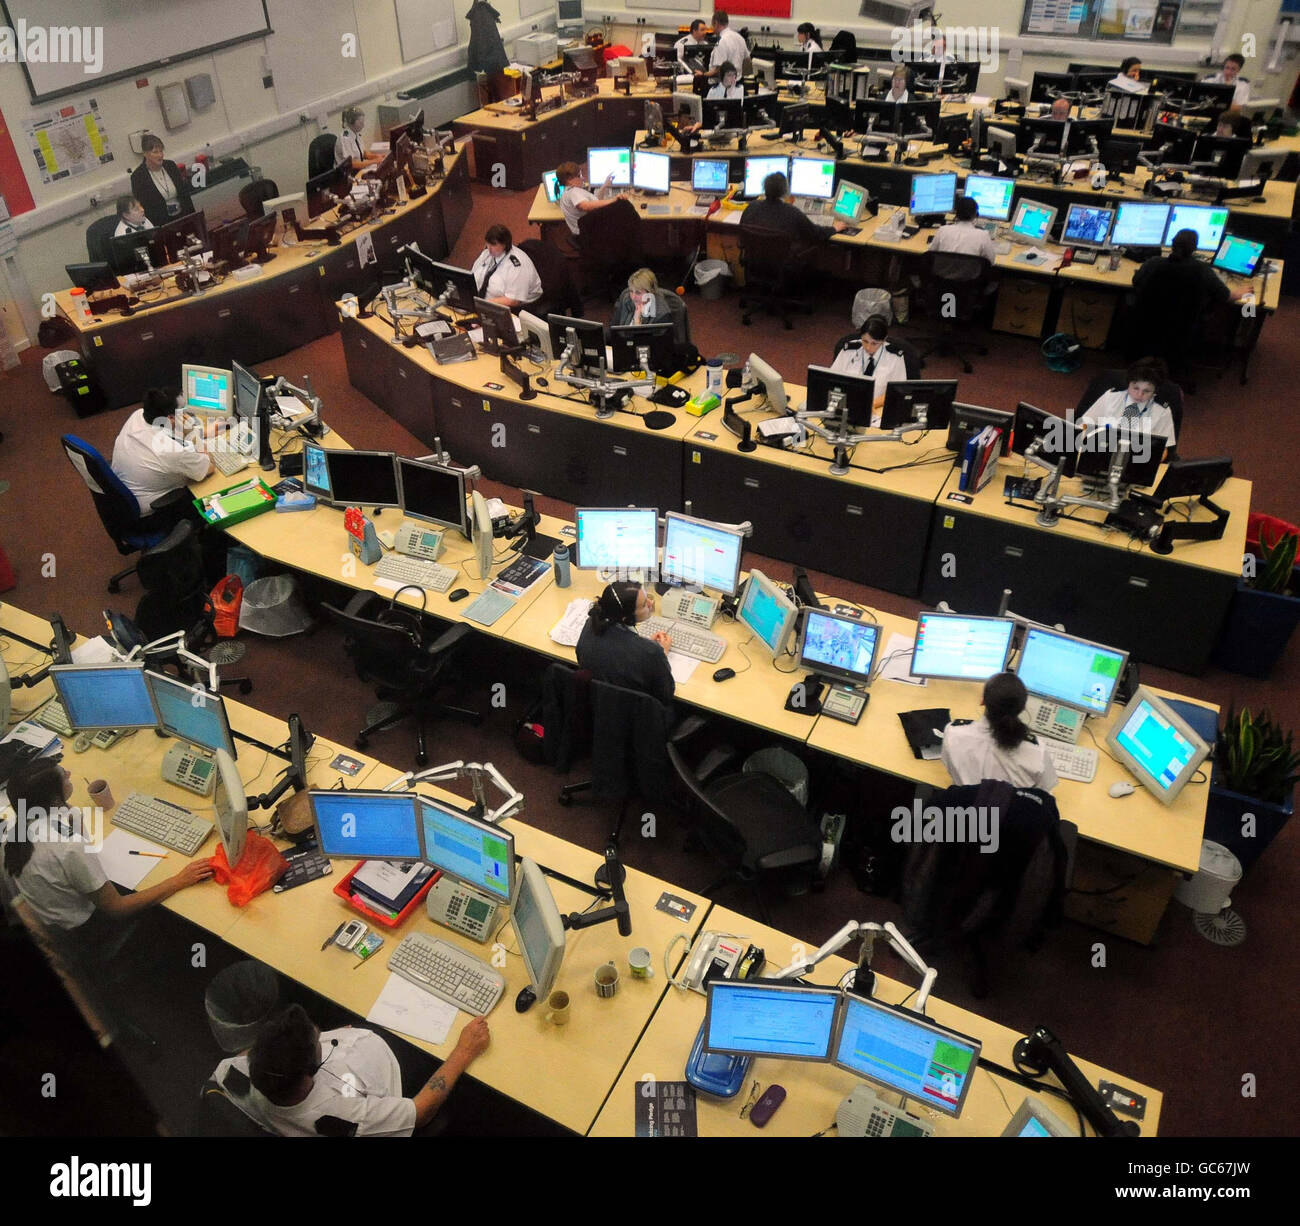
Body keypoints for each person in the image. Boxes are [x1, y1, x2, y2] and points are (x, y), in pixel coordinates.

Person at [2, 760, 214, 963]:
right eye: (63, 776)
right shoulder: (68, 846)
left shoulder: (15, 831)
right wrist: (179, 880)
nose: (69, 774)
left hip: (56, 921)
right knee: (180, 911)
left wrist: (68, 812)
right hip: (88, 930)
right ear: (54, 799)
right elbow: (116, 908)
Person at [212, 1004, 490, 1137]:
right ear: (310, 1071)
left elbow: (245, 1054)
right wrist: (464, 1050)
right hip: (398, 1068)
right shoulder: (344, 1116)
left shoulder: (231, 1072)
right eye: (317, 1039)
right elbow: (421, 1111)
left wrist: (339, 1037)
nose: (321, 1035)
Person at [941, 673, 1058, 792]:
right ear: (1022, 708)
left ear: (983, 701)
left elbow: (949, 766)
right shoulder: (1037, 752)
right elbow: (1045, 791)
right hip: (1008, 808)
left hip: (964, 806)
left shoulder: (953, 733)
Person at [112, 386, 216, 511]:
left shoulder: (137, 415)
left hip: (126, 493)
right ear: (171, 418)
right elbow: (209, 467)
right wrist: (193, 434)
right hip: (156, 509)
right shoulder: (171, 451)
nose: (186, 415)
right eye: (182, 412)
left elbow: (172, 434)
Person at [576, 581, 674, 707]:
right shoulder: (652, 652)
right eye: (644, 604)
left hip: (598, 707)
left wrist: (643, 645)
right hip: (638, 716)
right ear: (626, 618)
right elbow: (666, 695)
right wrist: (661, 653)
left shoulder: (591, 624)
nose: (651, 603)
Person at [1079, 358, 1180, 457]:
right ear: (1129, 383)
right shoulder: (1111, 397)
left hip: (1137, 462)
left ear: (1155, 391)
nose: (1139, 394)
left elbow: (1164, 450)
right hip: (1100, 454)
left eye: (1147, 391)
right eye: (1136, 388)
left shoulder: (1162, 411)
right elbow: (1085, 425)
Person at [830, 315, 910, 422]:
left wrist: (873, 404)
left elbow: (898, 391)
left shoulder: (895, 357)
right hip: (846, 407)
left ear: (884, 340)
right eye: (865, 341)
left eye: (874, 343)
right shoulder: (849, 350)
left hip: (877, 411)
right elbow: (831, 380)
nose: (868, 347)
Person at [740, 171, 845, 247]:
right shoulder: (792, 213)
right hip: (783, 270)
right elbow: (816, 233)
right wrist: (834, 228)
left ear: (765, 189)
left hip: (754, 267)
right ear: (786, 191)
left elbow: (742, 235)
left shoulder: (751, 207)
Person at [469, 224, 542, 310]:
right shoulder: (487, 254)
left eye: (493, 245)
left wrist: (483, 304)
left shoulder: (516, 265)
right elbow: (472, 276)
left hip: (510, 307)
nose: (489, 248)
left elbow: (513, 300)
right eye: (488, 243)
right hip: (482, 302)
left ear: (504, 244)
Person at [129, 135, 196, 227]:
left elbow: (184, 194)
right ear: (145, 154)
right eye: (155, 152)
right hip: (161, 223)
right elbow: (144, 207)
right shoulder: (138, 177)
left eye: (161, 151)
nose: (160, 155)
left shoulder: (170, 166)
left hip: (183, 216)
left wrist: (193, 216)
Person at [611, 268, 690, 345]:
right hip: (621, 348)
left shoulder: (661, 314)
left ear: (650, 293)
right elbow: (613, 328)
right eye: (631, 291)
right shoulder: (626, 297)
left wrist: (637, 321)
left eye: (638, 293)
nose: (633, 297)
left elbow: (644, 346)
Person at [556, 161, 628, 237]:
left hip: (586, 231)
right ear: (569, 180)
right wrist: (614, 200)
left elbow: (595, 202)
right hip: (590, 234)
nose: (582, 178)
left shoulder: (567, 192)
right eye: (579, 175)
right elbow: (586, 206)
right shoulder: (573, 192)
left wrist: (605, 185)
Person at [932, 195, 997, 262]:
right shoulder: (983, 235)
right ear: (976, 214)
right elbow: (991, 261)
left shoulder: (942, 230)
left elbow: (931, 253)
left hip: (941, 272)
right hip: (970, 272)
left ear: (956, 213)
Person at [334, 106, 383, 172]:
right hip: (349, 173)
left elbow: (363, 153)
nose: (363, 125)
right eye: (360, 122)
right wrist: (374, 161)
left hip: (359, 169)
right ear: (352, 123)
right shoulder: (345, 138)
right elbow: (352, 164)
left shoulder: (356, 133)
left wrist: (377, 156)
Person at [706, 10, 749, 81]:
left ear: (716, 23)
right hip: (738, 84)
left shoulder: (722, 41)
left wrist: (703, 75)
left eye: (712, 25)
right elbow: (747, 62)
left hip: (723, 87)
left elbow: (719, 71)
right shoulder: (740, 38)